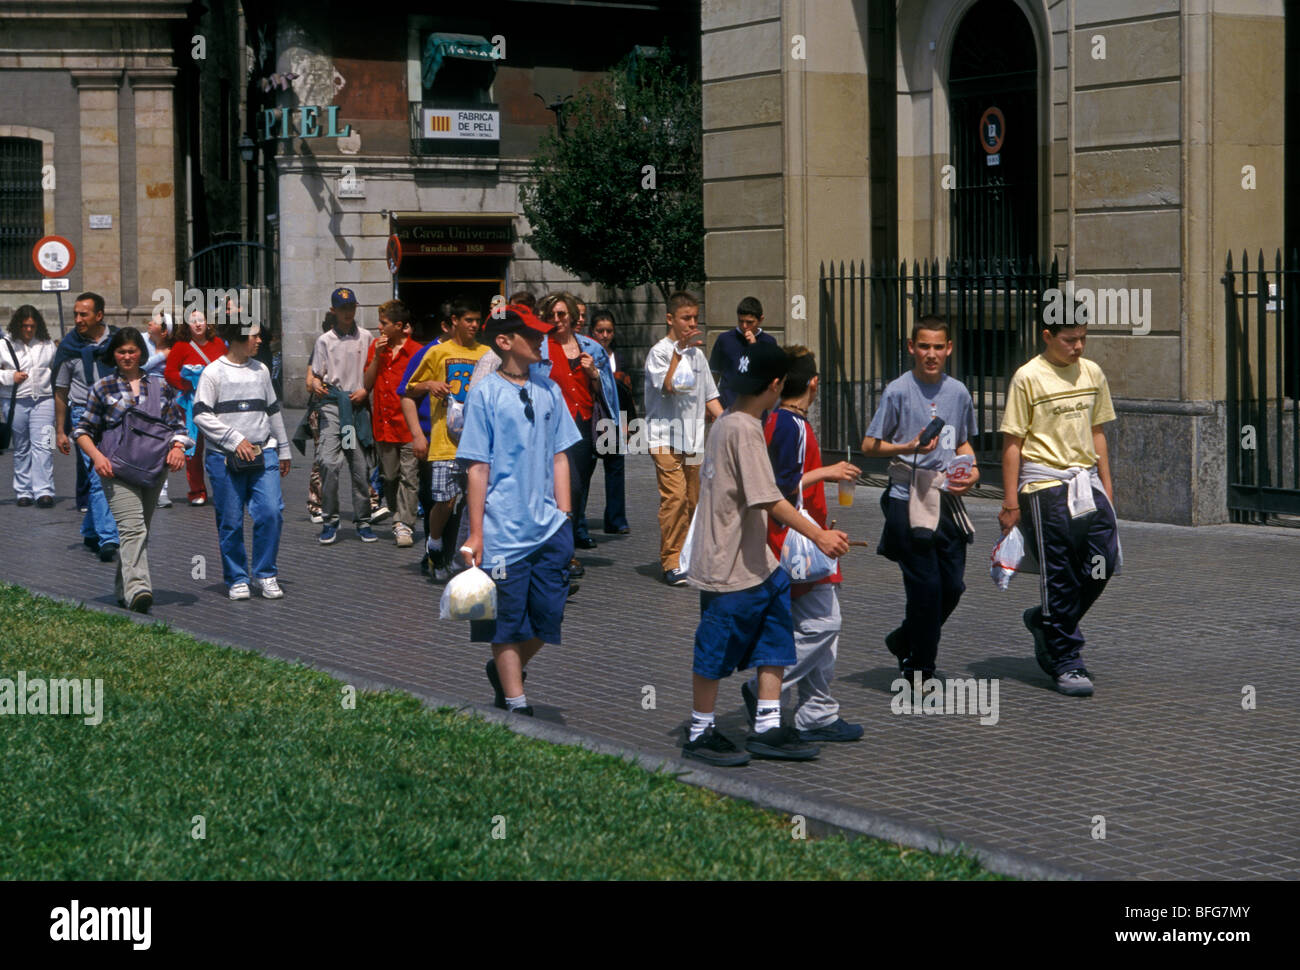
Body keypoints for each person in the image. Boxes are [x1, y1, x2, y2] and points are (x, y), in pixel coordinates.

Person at [680, 341, 849, 766]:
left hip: (760, 563)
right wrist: (819, 536)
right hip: (729, 566)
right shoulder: (743, 429)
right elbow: (768, 497)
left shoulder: (732, 419)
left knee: (775, 641)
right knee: (715, 647)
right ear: (775, 385)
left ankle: (768, 725)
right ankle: (700, 730)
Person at [459, 304, 579, 716]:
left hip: (550, 528)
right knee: (506, 621)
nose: (542, 339)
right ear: (505, 341)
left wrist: (566, 517)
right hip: (502, 531)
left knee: (549, 616)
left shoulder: (550, 390)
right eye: (532, 334)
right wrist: (476, 533)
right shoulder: (485, 393)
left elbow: (560, 456)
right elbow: (478, 467)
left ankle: (503, 671)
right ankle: (516, 702)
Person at [999, 309, 1118, 698]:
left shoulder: (1092, 372)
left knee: (1103, 562)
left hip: (1086, 483)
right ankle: (1066, 658)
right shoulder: (1028, 377)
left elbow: (1097, 432)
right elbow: (1013, 442)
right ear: (1047, 335)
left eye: (1083, 337)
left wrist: (1107, 489)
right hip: (1044, 485)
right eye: (1070, 339)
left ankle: (1045, 622)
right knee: (1060, 573)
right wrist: (1011, 502)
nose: (1078, 346)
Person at [862, 315, 979, 685]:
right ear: (912, 347)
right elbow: (869, 445)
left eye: (938, 347)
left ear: (949, 349)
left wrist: (973, 471)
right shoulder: (897, 391)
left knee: (952, 587)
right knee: (926, 589)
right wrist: (909, 446)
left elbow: (963, 442)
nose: (931, 354)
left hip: (946, 500)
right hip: (906, 498)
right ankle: (920, 669)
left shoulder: (958, 393)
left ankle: (904, 639)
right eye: (924, 346)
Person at [756, 346, 863, 741]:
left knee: (817, 625)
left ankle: (818, 711)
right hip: (798, 540)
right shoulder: (793, 426)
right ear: (814, 383)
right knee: (824, 623)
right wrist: (827, 472)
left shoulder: (775, 420)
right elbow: (781, 488)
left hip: (800, 535)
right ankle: (769, 690)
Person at [73, 327, 189, 613]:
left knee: (138, 532)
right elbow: (83, 430)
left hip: (153, 468)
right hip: (116, 470)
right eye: (121, 351)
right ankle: (139, 589)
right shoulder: (102, 387)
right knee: (132, 528)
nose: (127, 356)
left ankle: (122, 589)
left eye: (132, 351)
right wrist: (97, 458)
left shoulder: (161, 386)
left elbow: (178, 426)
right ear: (113, 354)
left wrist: (177, 448)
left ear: (141, 353)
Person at [194, 320, 291, 600]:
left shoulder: (261, 370)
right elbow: (201, 415)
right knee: (231, 520)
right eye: (254, 336)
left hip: (264, 452)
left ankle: (265, 573)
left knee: (271, 512)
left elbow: (272, 410)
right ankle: (237, 578)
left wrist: (284, 449)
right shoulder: (213, 373)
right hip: (224, 459)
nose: (260, 341)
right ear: (238, 337)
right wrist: (235, 440)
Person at [401, 295, 487, 579]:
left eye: (477, 321)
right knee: (445, 500)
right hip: (444, 441)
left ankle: (462, 560)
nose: (474, 325)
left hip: (477, 442)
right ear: (454, 321)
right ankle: (435, 542)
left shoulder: (487, 354)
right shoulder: (437, 352)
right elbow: (409, 389)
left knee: (474, 504)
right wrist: (430, 384)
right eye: (468, 320)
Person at [644, 291, 722, 585]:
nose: (691, 323)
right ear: (670, 319)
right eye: (685, 318)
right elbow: (669, 386)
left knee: (693, 500)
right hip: (663, 437)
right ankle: (672, 560)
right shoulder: (660, 353)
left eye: (695, 318)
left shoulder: (698, 355)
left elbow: (711, 397)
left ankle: (691, 556)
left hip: (693, 439)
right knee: (674, 498)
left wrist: (731, 424)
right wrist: (678, 352)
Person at [538, 292, 617, 578]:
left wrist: (593, 373)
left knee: (578, 488)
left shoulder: (590, 347)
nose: (557, 319)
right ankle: (562, 552)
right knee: (563, 488)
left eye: (561, 314)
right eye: (551, 315)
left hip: (583, 424)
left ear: (572, 316)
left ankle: (564, 546)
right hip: (552, 427)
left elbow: (606, 390)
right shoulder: (540, 347)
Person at [52, 292, 121, 560]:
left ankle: (91, 530)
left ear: (99, 316)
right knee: (98, 472)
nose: (78, 319)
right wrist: (61, 430)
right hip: (83, 414)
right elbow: (60, 391)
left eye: (84, 314)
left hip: (114, 413)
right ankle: (108, 538)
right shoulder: (68, 347)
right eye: (75, 315)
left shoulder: (118, 342)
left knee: (109, 470)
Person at [307, 287, 376, 544]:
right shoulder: (324, 341)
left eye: (351, 307)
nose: (348, 312)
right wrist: (316, 384)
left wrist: (365, 391)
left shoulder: (366, 337)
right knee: (328, 462)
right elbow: (316, 374)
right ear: (333, 310)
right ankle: (330, 520)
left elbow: (373, 370)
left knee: (359, 466)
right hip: (334, 407)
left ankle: (363, 520)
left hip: (356, 409)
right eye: (342, 308)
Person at [364, 299, 423, 549]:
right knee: (389, 477)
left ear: (398, 326)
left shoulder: (417, 351)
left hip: (408, 425)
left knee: (409, 477)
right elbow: (367, 383)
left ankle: (403, 524)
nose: (379, 327)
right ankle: (397, 514)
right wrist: (376, 357)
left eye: (384, 323)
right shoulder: (377, 348)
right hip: (384, 424)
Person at [165, 308, 227, 506]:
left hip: (217, 402)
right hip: (192, 403)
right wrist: (188, 382)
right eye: (193, 321)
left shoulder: (219, 344)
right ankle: (197, 490)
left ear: (208, 322)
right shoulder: (180, 347)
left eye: (201, 320)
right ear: (187, 325)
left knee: (222, 446)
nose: (198, 324)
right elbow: (169, 372)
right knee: (193, 448)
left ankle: (225, 488)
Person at [1, 306, 57, 508]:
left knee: (45, 445)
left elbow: (57, 369)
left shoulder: (47, 344)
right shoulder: (4, 345)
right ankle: (23, 491)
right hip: (15, 401)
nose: (28, 330)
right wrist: (10, 376)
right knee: (21, 447)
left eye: (32, 326)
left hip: (45, 399)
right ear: (17, 325)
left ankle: (44, 491)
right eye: (25, 326)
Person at [589, 308, 631, 534]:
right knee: (585, 469)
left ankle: (616, 519)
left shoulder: (619, 358)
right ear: (592, 332)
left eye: (609, 331)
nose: (605, 335)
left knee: (615, 468)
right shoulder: (586, 354)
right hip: (591, 417)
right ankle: (577, 521)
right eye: (600, 331)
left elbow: (625, 393)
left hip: (613, 419)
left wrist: (626, 422)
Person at [709, 296, 779, 409]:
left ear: (761, 319)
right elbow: (714, 373)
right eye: (741, 321)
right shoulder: (724, 339)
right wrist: (711, 404)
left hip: (756, 408)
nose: (744, 326)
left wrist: (755, 347)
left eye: (749, 322)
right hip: (728, 407)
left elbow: (771, 378)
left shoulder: (769, 342)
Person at [143, 311, 176, 507]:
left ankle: (161, 490)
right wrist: (161, 356)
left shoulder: (173, 347)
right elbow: (140, 365)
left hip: (164, 397)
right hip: (141, 393)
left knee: (162, 442)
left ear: (164, 332)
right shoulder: (140, 340)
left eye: (154, 322)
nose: (149, 323)